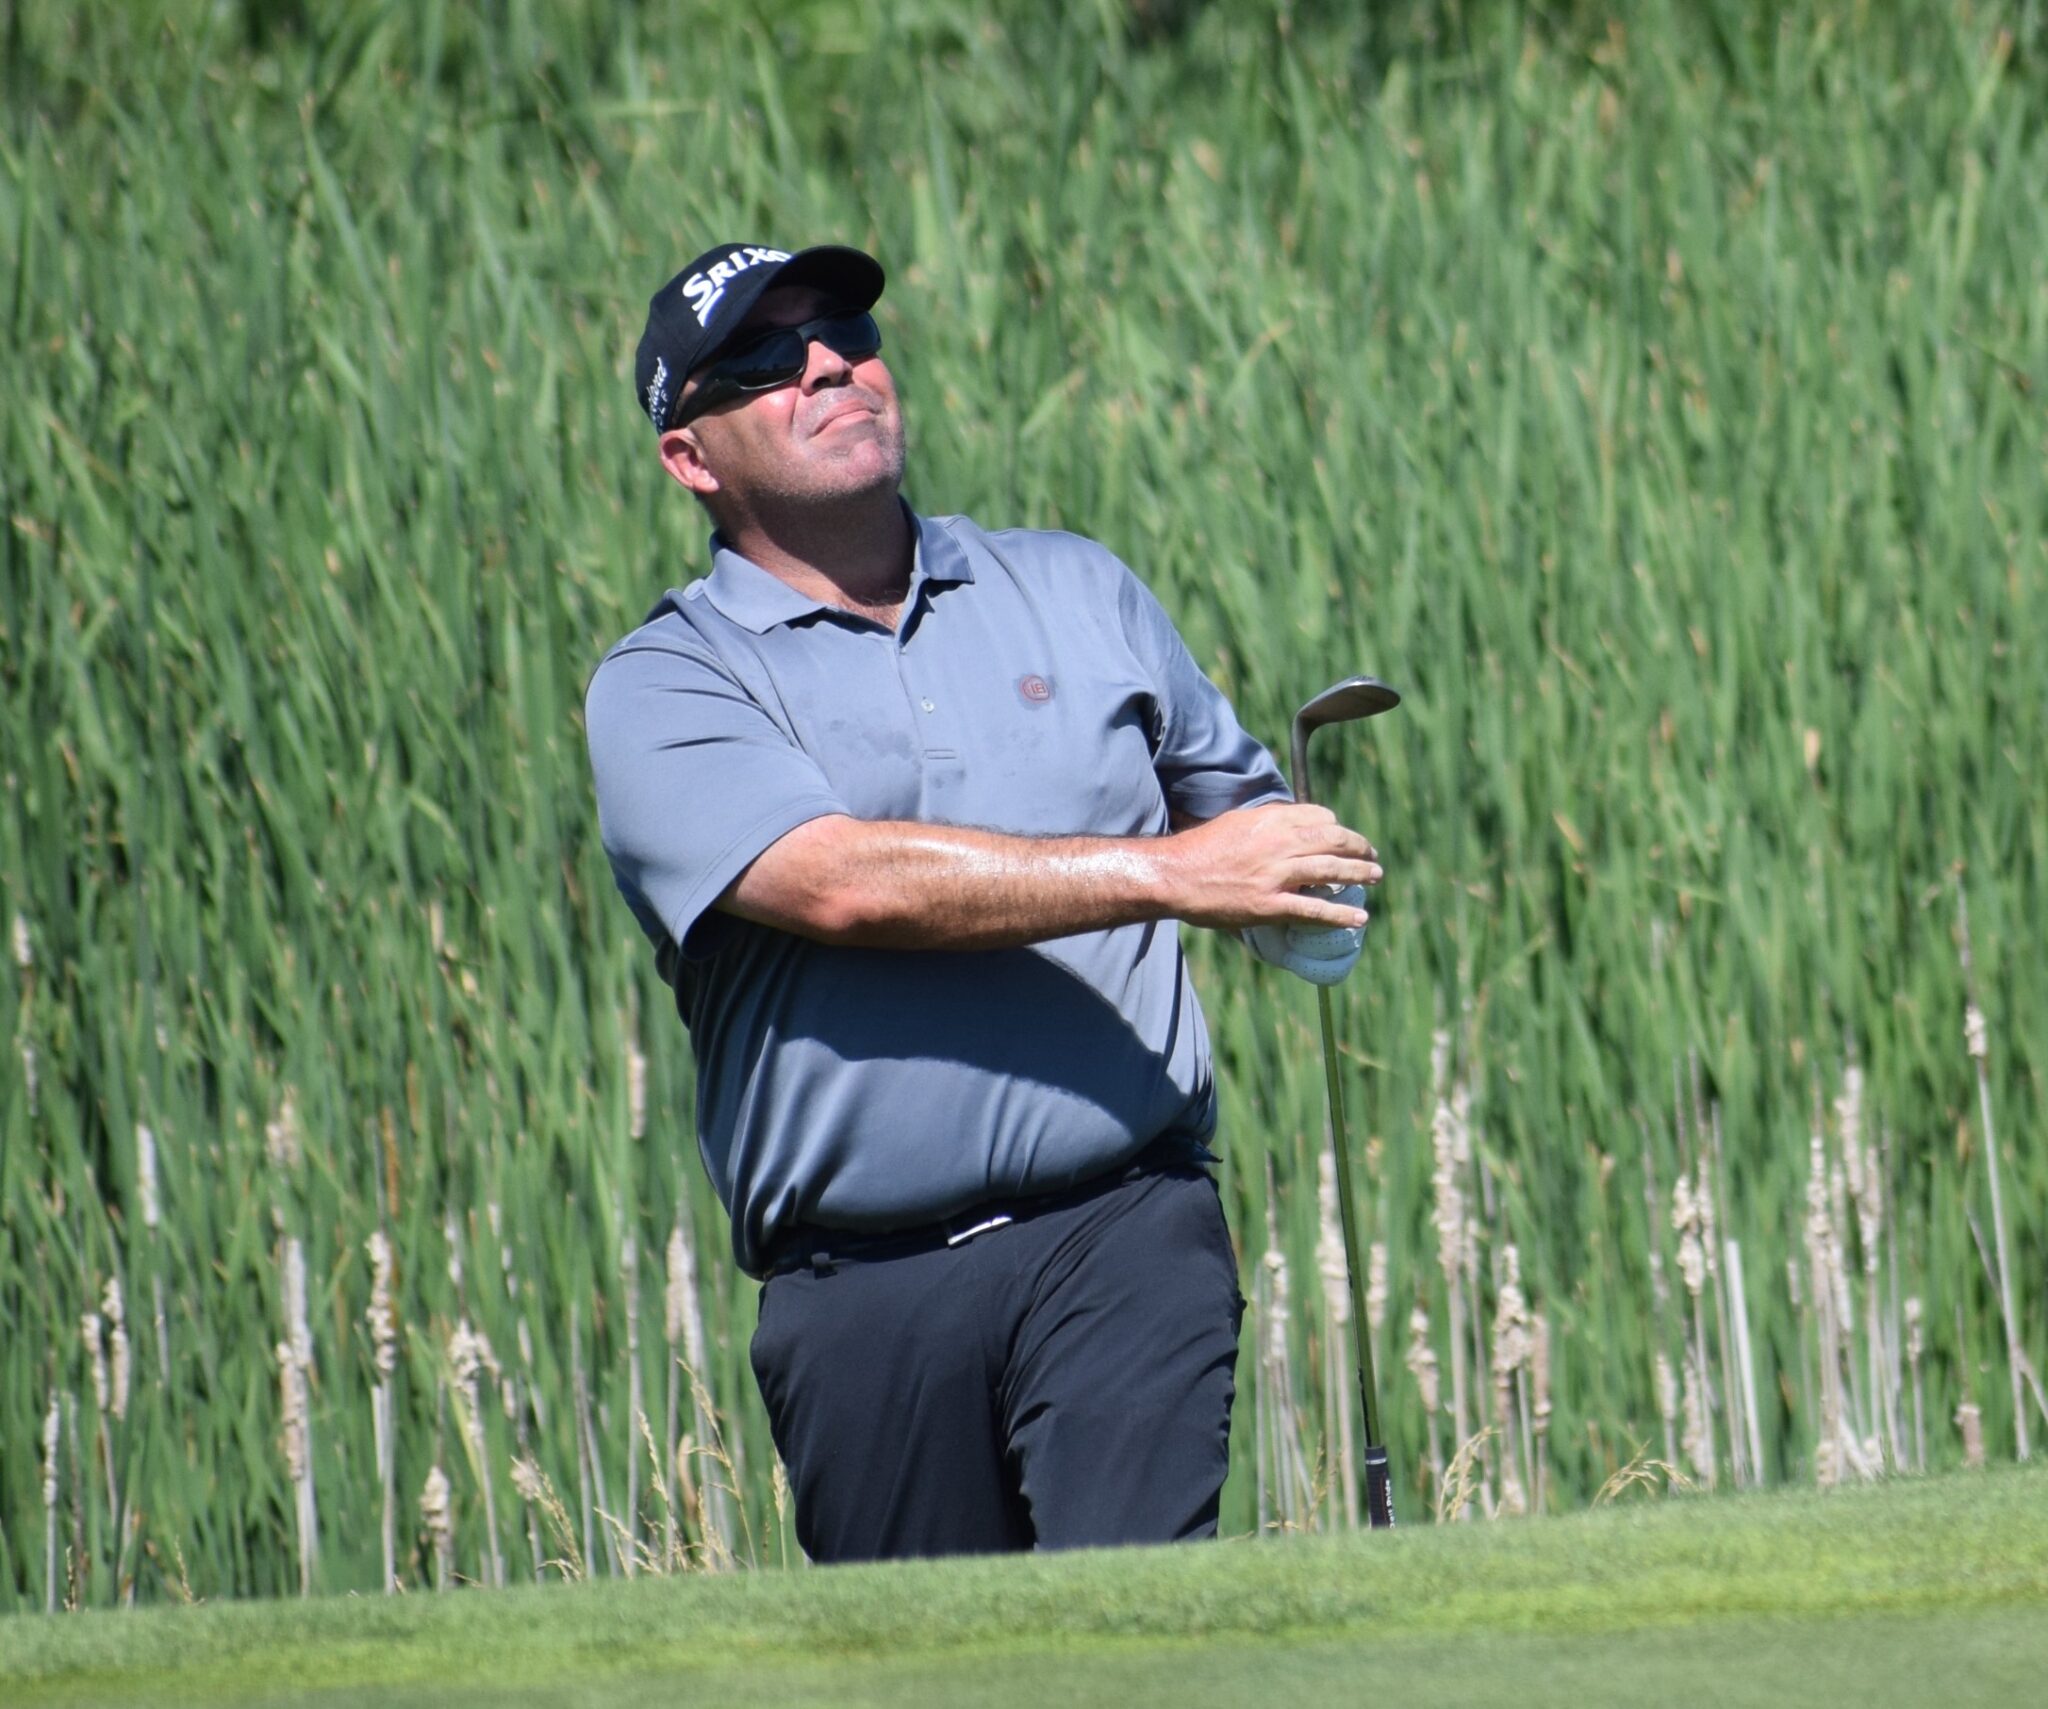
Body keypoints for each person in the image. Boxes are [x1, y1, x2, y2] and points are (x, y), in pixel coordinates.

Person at [584, 240, 1382, 1563]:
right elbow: (837, 882)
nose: (832, 361)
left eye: (847, 328)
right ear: (692, 455)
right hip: (862, 1296)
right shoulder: (666, 683)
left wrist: (1298, 894)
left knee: (1132, 1643)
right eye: (770, 359)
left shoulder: (1073, 588)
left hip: (1126, 1229)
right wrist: (1172, 877)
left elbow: (1248, 838)